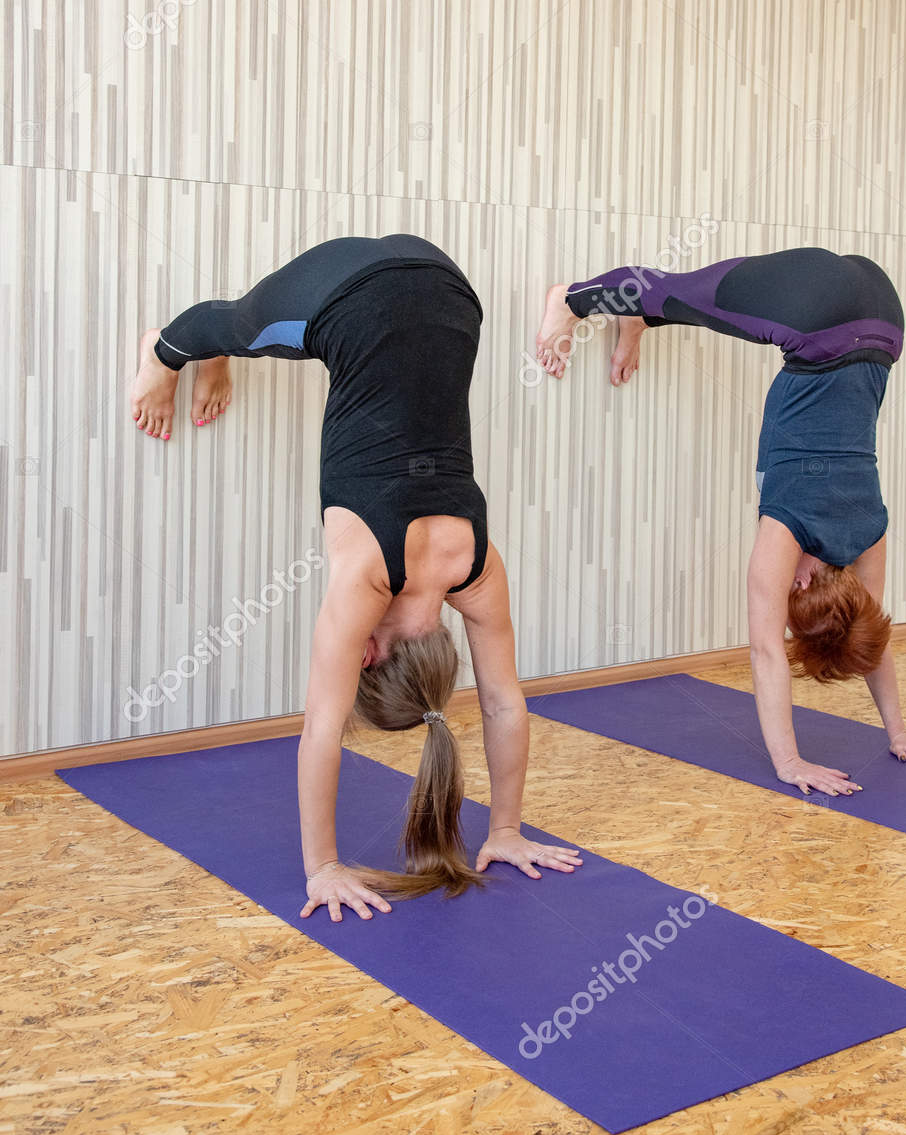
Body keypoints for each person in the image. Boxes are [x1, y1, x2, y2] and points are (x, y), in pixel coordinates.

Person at [131, 233, 580, 918]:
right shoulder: (365, 579)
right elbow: (322, 729)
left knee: (267, 337)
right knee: (242, 322)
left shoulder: (475, 568)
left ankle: (214, 353)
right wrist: (323, 867)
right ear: (371, 653)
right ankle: (168, 351)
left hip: (453, 295)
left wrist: (509, 828)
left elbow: (502, 701)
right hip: (350, 297)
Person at [535, 245, 906, 797]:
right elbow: (764, 651)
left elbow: (873, 641)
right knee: (668, 288)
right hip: (819, 317)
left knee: (689, 304)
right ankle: (569, 301)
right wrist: (789, 763)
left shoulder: (868, 533)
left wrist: (899, 734)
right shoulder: (784, 531)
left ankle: (637, 320)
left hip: (882, 316)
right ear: (800, 583)